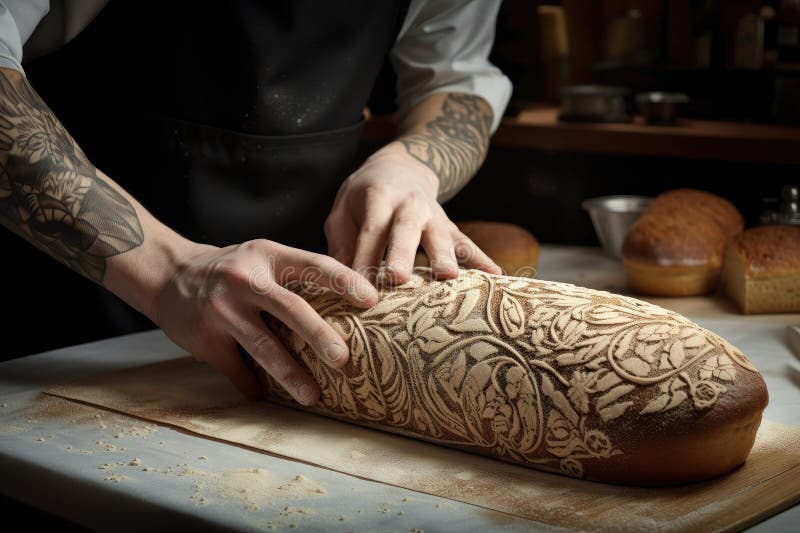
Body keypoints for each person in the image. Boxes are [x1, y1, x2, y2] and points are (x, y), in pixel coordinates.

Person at [0, 1, 511, 405]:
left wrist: (414, 164)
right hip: (57, 311)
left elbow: (456, 77)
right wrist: (171, 270)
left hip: (288, 310)